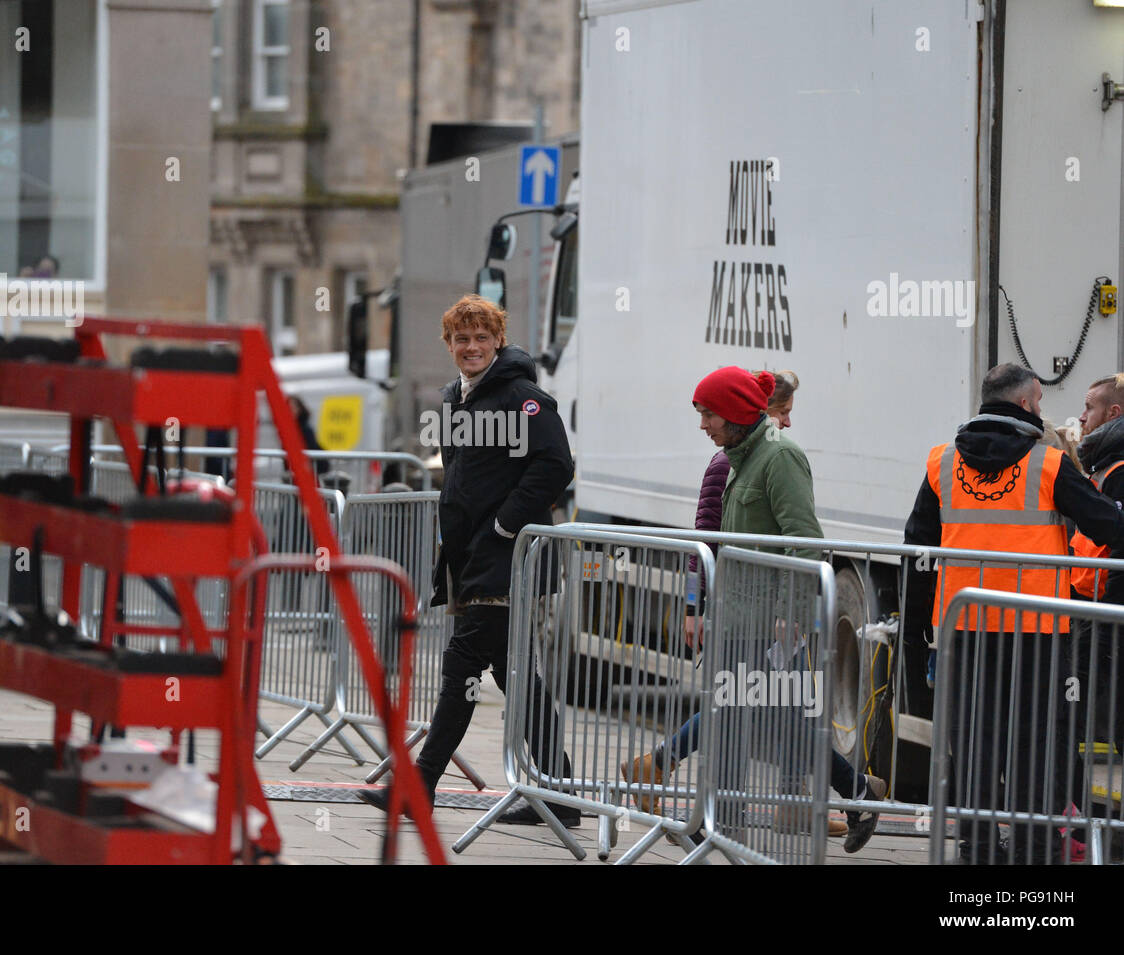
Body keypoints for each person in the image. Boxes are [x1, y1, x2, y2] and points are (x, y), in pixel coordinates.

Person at [624, 368, 885, 851]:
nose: (703, 425)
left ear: (739, 415)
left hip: (768, 623)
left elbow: (804, 539)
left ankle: (714, 817)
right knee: (761, 716)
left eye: (709, 414)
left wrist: (790, 612)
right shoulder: (738, 457)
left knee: (744, 714)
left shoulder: (780, 457)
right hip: (739, 617)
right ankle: (853, 794)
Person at [358, 294, 577, 826]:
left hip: (505, 563)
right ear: (450, 344)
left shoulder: (523, 397)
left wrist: (506, 523)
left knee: (461, 670)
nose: (472, 347)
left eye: (482, 337)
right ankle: (561, 797)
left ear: (499, 340)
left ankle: (421, 785)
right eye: (462, 338)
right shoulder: (458, 399)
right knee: (516, 676)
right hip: (473, 563)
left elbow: (556, 464)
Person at [903, 363, 1124, 863]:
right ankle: (1034, 844)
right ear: (1026, 404)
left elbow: (916, 547)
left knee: (974, 740)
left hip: (963, 629)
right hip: (1038, 629)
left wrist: (916, 627)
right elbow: (1106, 524)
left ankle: (976, 845)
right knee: (1035, 741)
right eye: (1040, 404)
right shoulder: (1048, 465)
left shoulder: (941, 462)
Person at [1067, 374, 1124, 818]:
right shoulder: (1104, 466)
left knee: (1066, 715)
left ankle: (1071, 816)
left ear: (1113, 414)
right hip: (1093, 610)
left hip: (1104, 616)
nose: (1081, 417)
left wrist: (1106, 614)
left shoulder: (1119, 472)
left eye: (1089, 408)